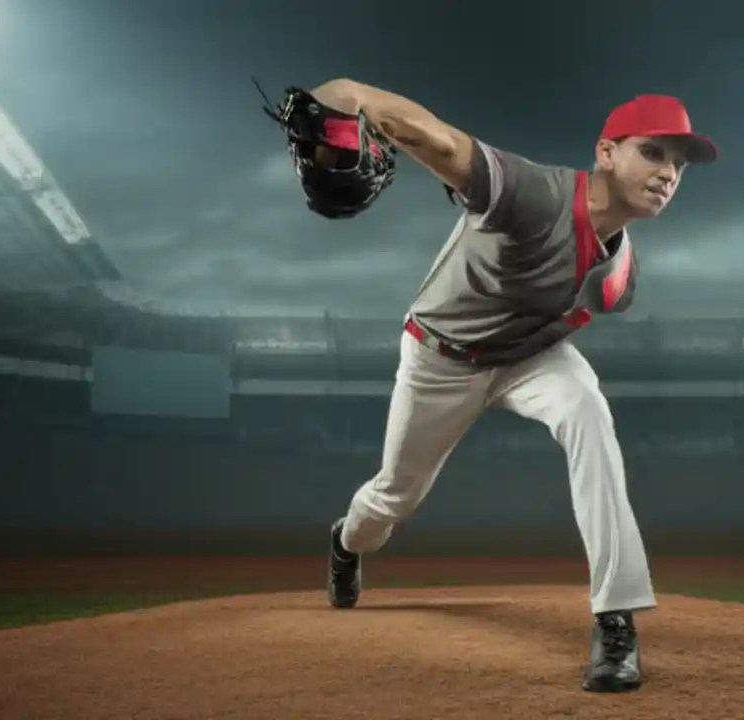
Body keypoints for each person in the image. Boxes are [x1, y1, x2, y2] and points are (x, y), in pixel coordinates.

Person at [307, 78, 717, 693]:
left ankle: (616, 619)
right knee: (395, 498)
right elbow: (436, 139)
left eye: (679, 164)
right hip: (442, 358)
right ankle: (346, 541)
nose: (668, 172)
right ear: (607, 152)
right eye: (653, 152)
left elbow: (579, 299)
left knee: (588, 412)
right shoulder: (531, 193)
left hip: (531, 357)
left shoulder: (621, 277)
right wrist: (348, 96)